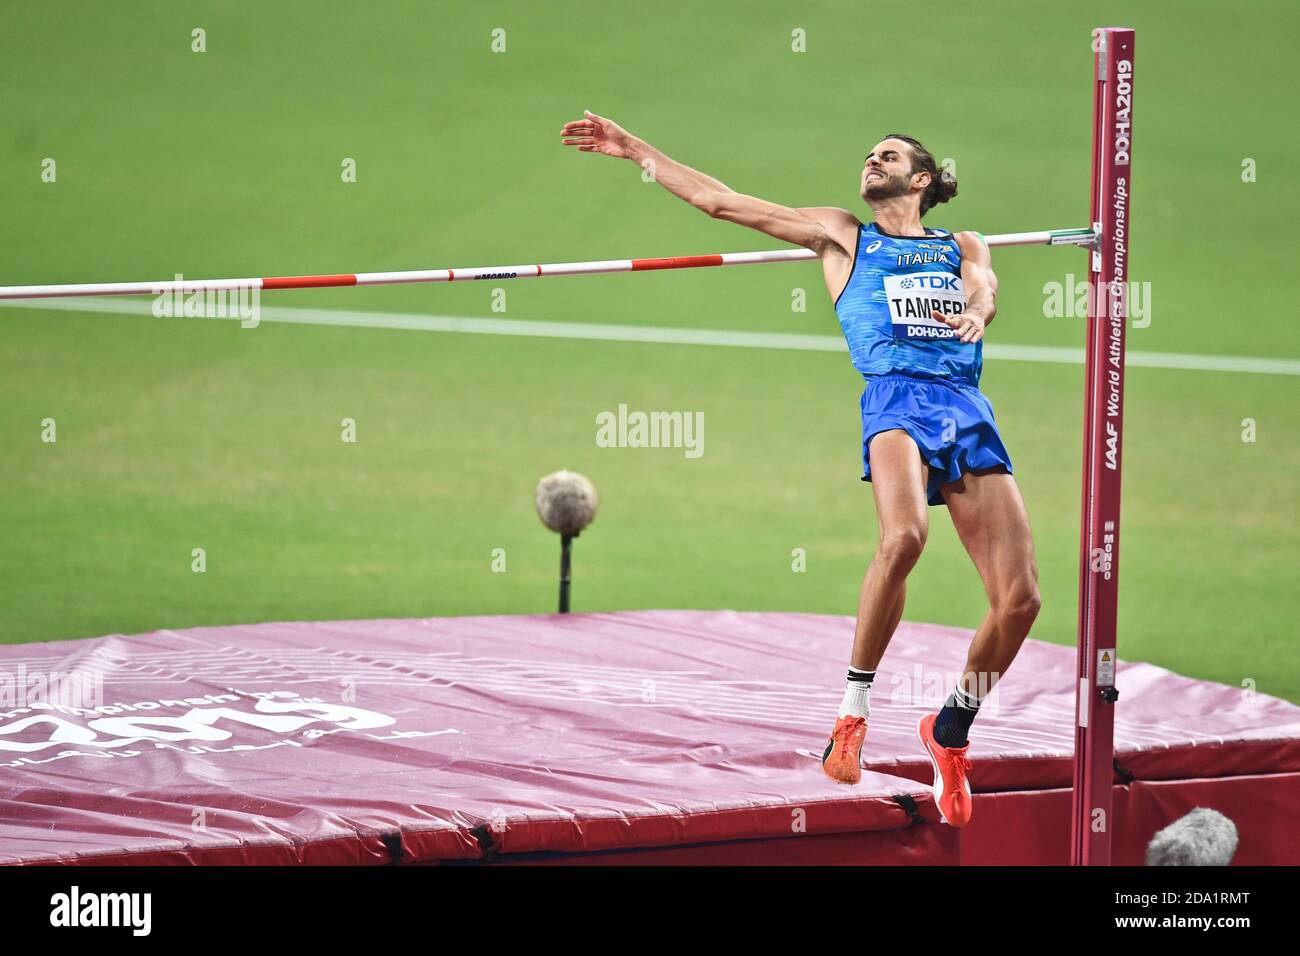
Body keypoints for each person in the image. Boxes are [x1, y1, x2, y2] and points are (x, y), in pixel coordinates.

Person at [561, 112, 1041, 828]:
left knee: (1021, 599)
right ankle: (851, 715)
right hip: (895, 398)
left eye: (887, 156)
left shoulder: (961, 242)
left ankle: (950, 732)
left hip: (966, 407)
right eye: (868, 156)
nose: (870, 163)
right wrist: (633, 149)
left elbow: (984, 286)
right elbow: (721, 202)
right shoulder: (843, 232)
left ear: (922, 178)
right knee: (904, 538)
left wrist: (978, 308)